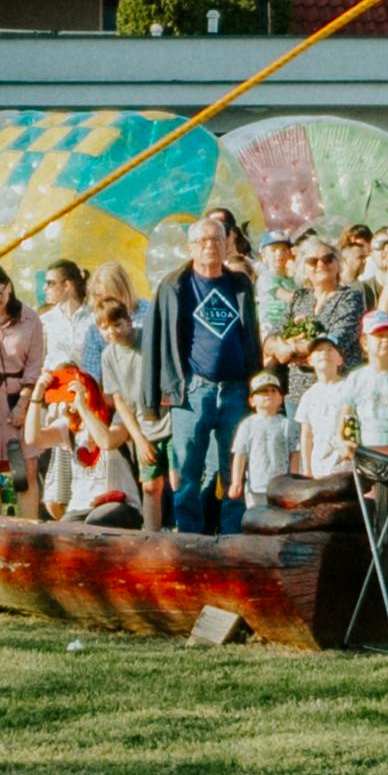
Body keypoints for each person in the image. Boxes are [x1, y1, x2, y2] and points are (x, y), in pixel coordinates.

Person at [142, 212, 266, 535]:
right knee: (186, 474)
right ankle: (189, 541)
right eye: (203, 241)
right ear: (191, 248)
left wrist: (257, 383)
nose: (211, 246)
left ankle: (233, 539)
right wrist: (151, 402)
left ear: (227, 246)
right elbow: (154, 343)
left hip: (236, 389)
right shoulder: (173, 286)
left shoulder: (240, 284)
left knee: (234, 472)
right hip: (192, 390)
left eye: (217, 240)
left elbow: (251, 335)